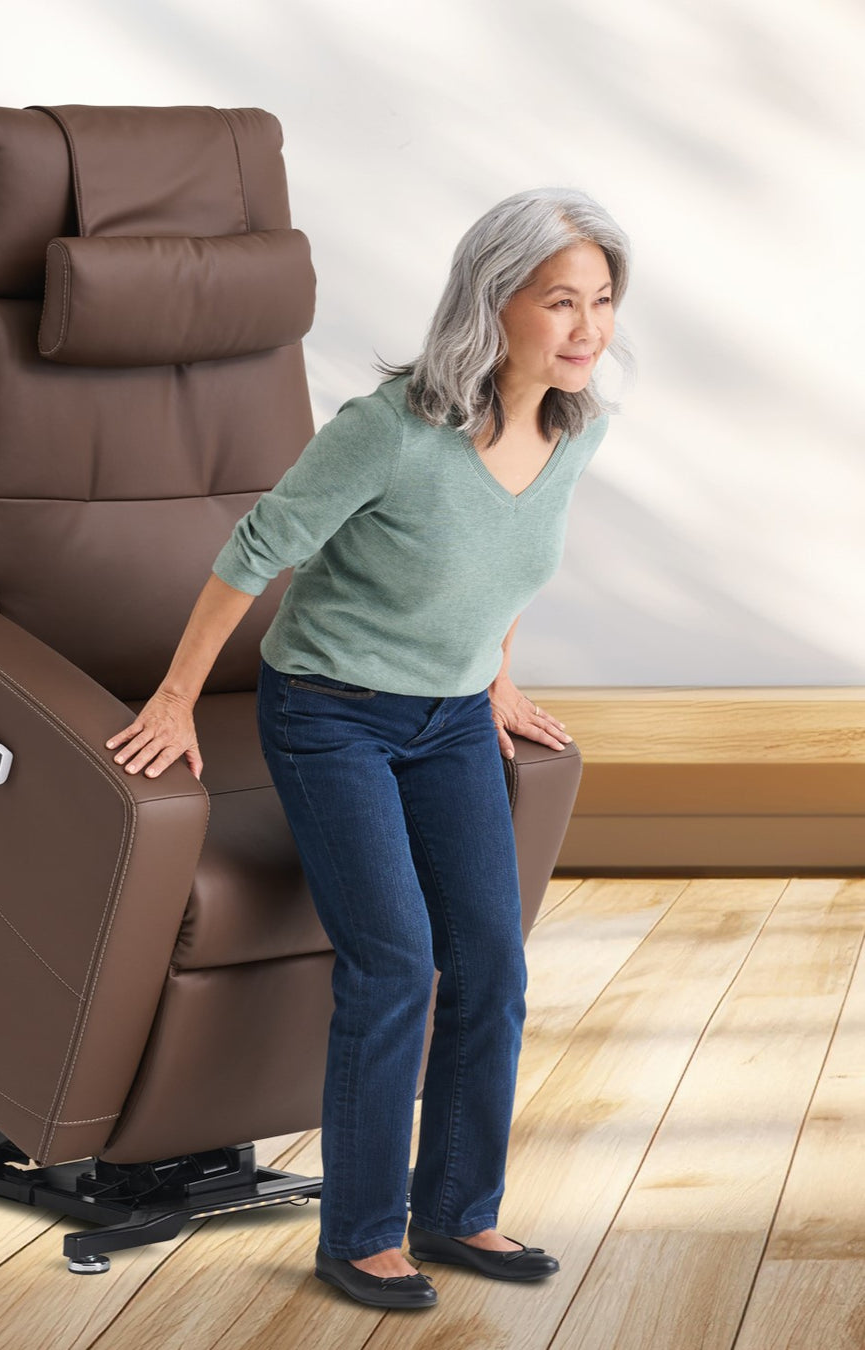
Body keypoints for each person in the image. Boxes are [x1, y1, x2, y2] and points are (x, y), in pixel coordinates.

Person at [104, 187, 632, 1312]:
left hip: (446, 724)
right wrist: (175, 698)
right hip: (330, 714)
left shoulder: (573, 431)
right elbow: (256, 549)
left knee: (489, 963)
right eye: (561, 302)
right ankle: (357, 1237)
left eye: (601, 301)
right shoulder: (391, 429)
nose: (589, 328)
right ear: (495, 304)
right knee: (395, 961)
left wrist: (493, 680)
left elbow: (502, 569)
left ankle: (457, 1211)